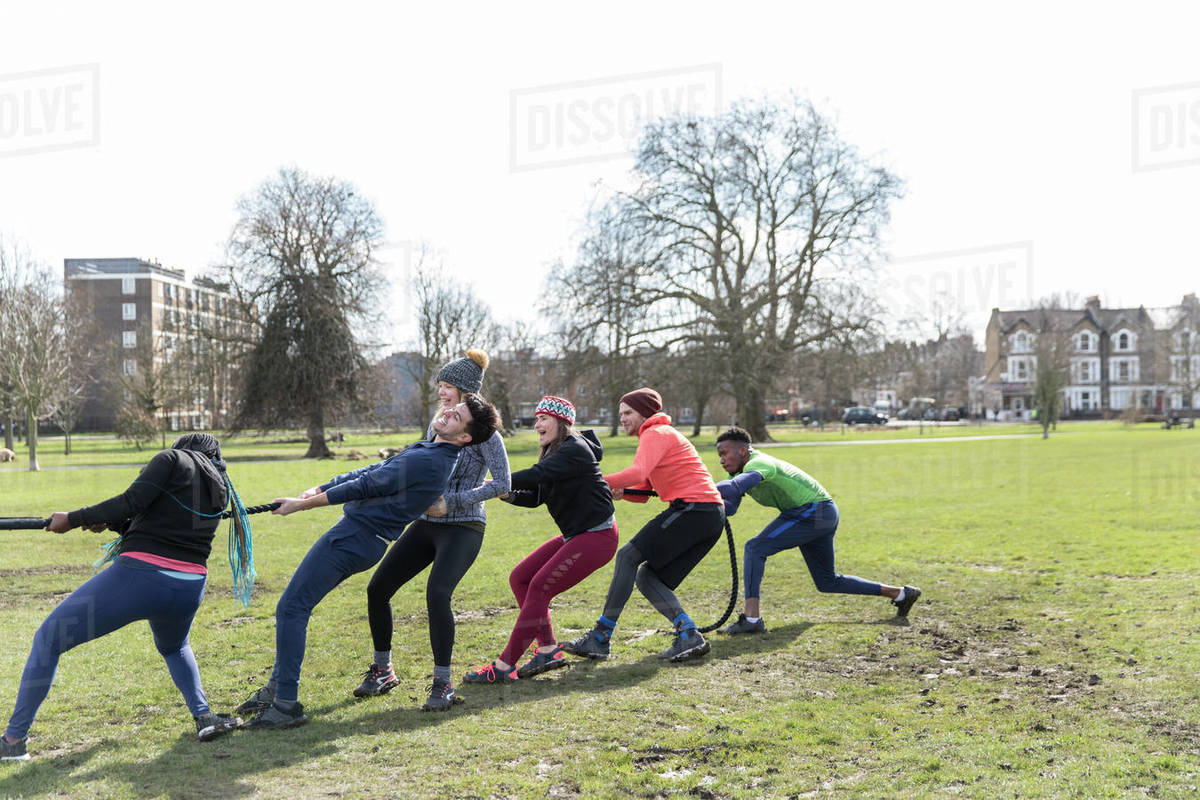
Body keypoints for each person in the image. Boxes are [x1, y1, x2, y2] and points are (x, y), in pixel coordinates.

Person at [235, 394, 500, 730]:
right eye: (452, 407)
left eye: (457, 415)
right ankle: (275, 690)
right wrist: (322, 486)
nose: (448, 411)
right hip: (357, 534)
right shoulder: (430, 449)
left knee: (292, 607)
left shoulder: (432, 462)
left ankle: (285, 702)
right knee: (294, 606)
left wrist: (301, 506)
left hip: (355, 537)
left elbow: (367, 484)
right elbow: (373, 469)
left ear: (464, 437)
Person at [0, 434, 249, 762]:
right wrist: (114, 524)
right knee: (175, 647)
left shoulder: (172, 460)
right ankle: (204, 717)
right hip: (189, 587)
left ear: (183, 446)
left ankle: (14, 742)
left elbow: (131, 501)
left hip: (141, 578)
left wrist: (74, 518)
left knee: (49, 638)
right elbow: (161, 525)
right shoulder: (219, 482)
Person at [355, 350, 511, 712]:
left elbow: (503, 482)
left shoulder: (486, 434)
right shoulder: (438, 422)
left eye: (447, 386)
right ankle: (383, 670)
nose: (441, 393)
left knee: (437, 593)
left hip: (464, 526)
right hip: (427, 523)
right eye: (440, 386)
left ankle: (443, 683)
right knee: (378, 588)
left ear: (466, 391)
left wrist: (452, 502)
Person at [463, 396, 618, 684]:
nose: (537, 425)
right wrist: (505, 493)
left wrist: (498, 480)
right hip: (577, 535)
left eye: (543, 419)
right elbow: (536, 496)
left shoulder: (575, 448)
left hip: (597, 537)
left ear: (561, 422)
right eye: (536, 419)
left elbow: (538, 475)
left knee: (538, 587)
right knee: (520, 578)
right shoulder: (553, 453)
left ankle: (505, 665)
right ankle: (548, 649)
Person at [563, 388, 725, 663]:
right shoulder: (658, 435)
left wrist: (593, 481)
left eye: (628, 413)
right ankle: (688, 635)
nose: (623, 418)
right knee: (649, 578)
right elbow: (643, 490)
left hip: (694, 510)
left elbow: (637, 472)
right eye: (621, 414)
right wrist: (623, 492)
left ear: (644, 413)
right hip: (707, 515)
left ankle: (600, 637)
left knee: (628, 555)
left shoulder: (656, 433)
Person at [712, 426, 920, 635]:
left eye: (724, 453)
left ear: (742, 451)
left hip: (815, 512)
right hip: (819, 513)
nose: (721, 460)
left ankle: (752, 619)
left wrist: (696, 488)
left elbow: (736, 488)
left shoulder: (759, 463)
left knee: (755, 548)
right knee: (827, 582)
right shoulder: (738, 475)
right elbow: (730, 506)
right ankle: (901, 594)